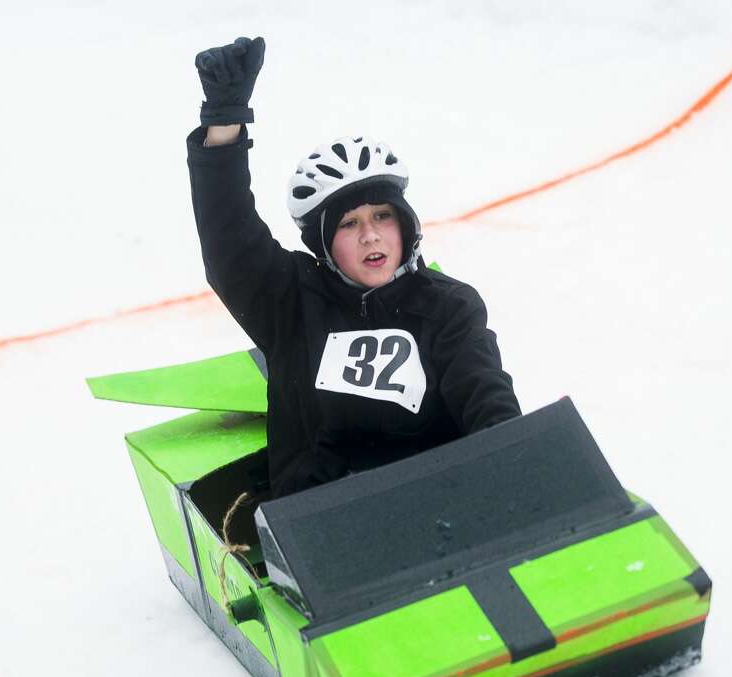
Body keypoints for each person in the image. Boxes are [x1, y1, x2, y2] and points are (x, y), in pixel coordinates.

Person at [188, 36, 520, 499]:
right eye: (349, 224)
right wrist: (224, 126)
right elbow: (229, 238)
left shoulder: (448, 304)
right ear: (323, 244)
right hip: (321, 526)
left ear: (406, 225)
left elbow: (486, 397)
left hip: (447, 506)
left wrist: (516, 461)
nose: (371, 235)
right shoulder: (290, 300)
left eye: (382, 216)